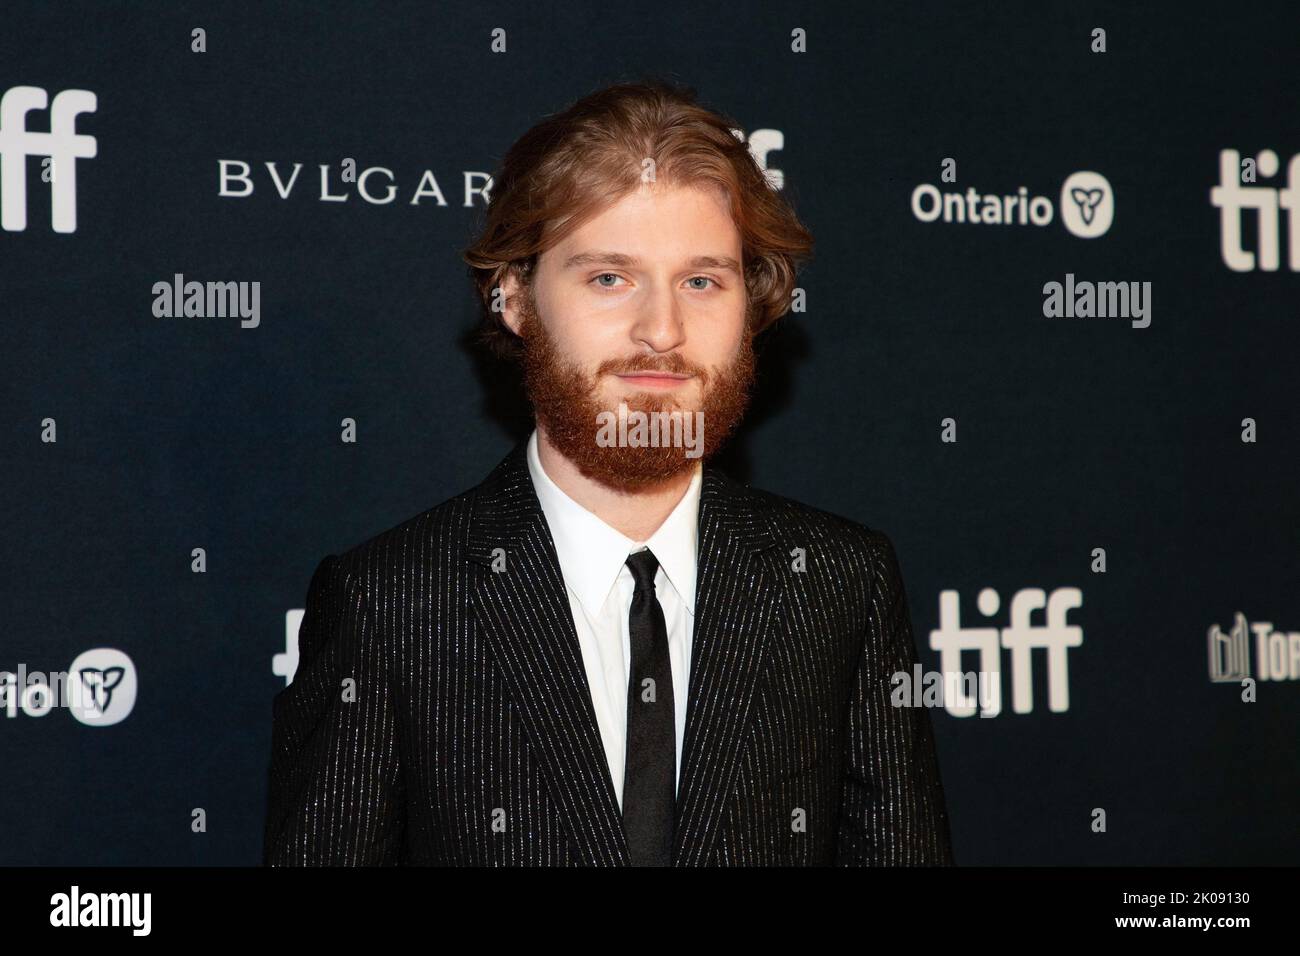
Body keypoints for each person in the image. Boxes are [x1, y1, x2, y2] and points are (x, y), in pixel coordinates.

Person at [263, 79, 953, 866]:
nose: (661, 330)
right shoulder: (391, 605)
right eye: (608, 278)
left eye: (701, 281)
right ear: (515, 298)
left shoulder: (836, 585)